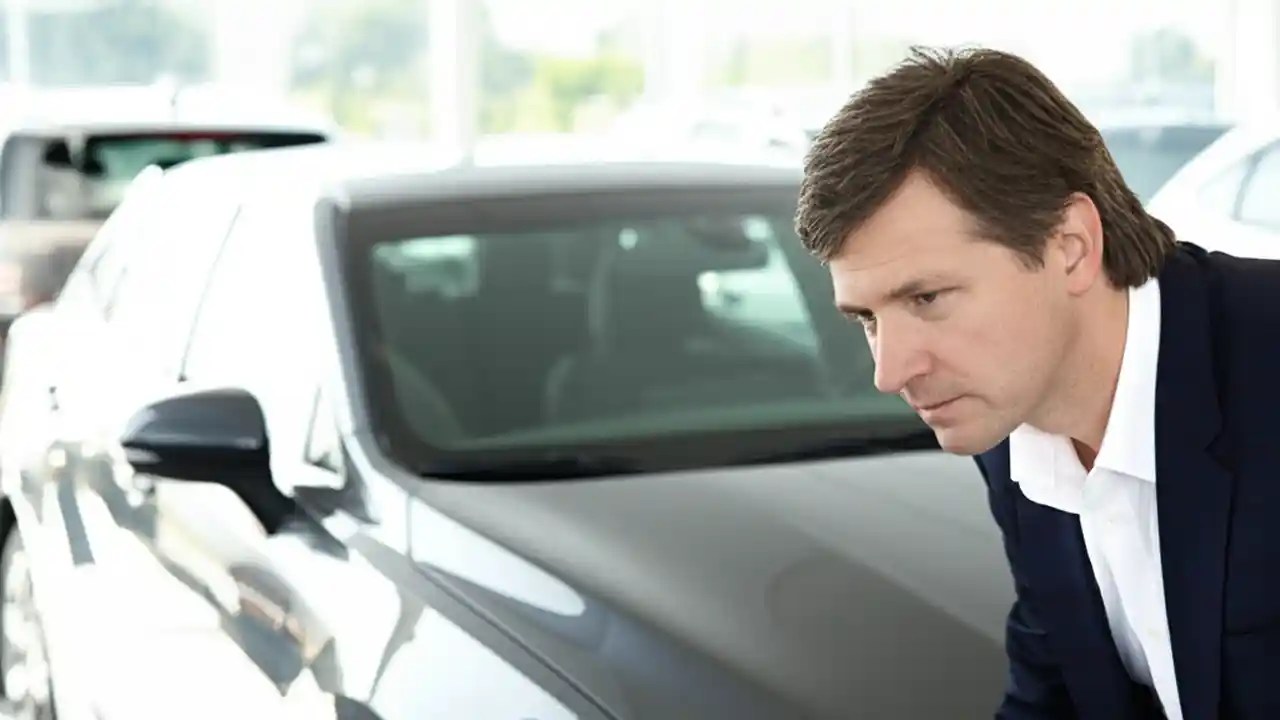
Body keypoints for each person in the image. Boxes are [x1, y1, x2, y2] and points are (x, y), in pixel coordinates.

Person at [796, 46, 1279, 719]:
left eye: (928, 297)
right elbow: (1053, 687)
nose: (891, 371)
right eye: (867, 319)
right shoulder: (1013, 428)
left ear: (1071, 246)